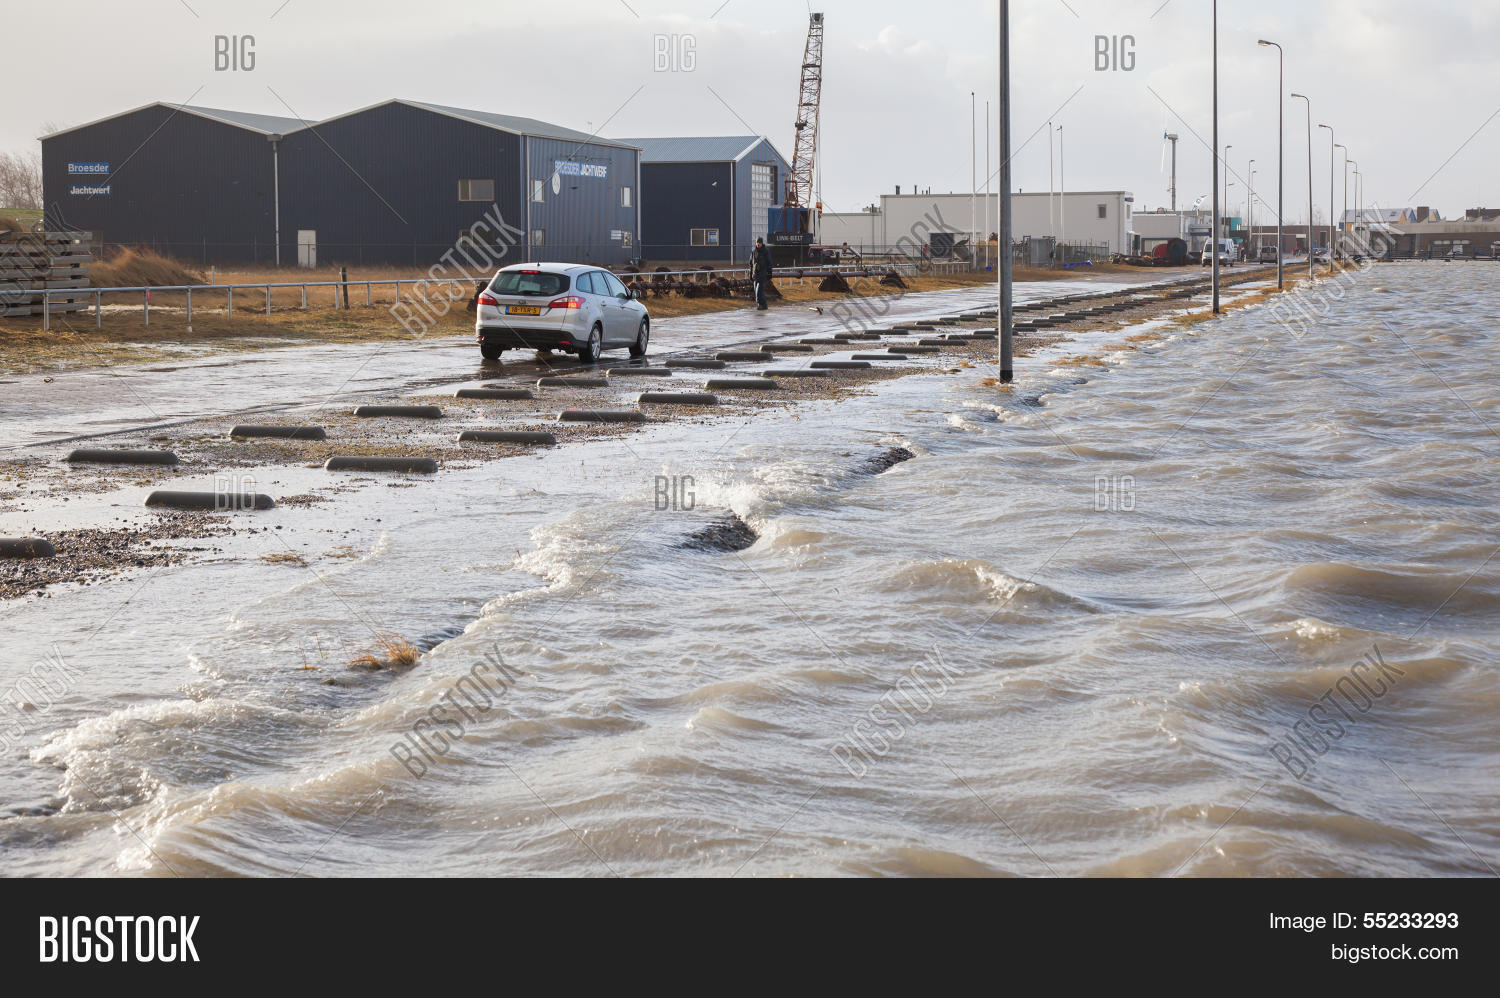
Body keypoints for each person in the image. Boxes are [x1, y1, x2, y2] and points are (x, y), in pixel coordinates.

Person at [751, 237, 773, 310]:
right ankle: (764, 305)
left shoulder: (766, 251)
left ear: (762, 243)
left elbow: (769, 262)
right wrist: (751, 274)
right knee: (756, 291)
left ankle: (760, 305)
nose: (758, 244)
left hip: (762, 274)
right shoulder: (754, 252)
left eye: (759, 243)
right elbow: (751, 263)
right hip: (755, 275)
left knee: (759, 291)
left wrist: (769, 273)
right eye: (757, 242)